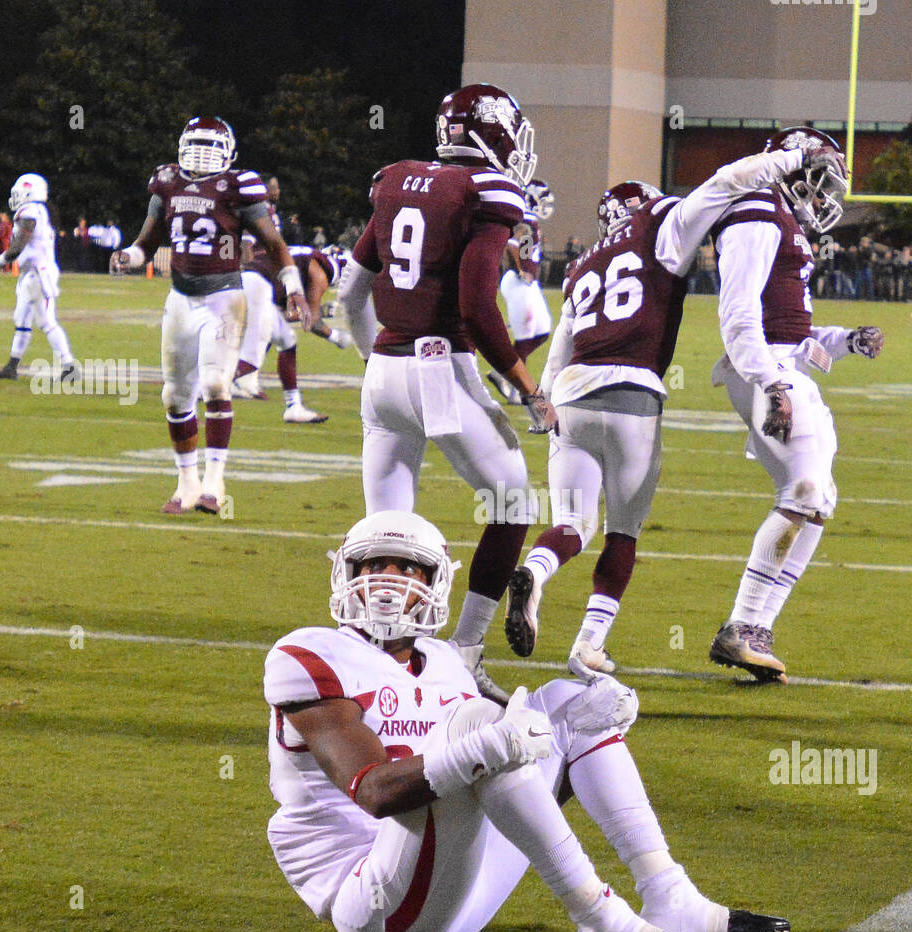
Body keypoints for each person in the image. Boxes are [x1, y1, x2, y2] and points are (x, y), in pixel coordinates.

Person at [264, 508, 790, 932]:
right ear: (346, 574)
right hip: (375, 904)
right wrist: (492, 745)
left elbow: (509, 797)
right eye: (375, 565)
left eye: (407, 569)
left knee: (570, 702)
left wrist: (543, 743)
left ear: (435, 583)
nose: (388, 583)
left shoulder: (445, 661)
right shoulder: (307, 654)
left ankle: (669, 895)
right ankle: (603, 924)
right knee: (480, 727)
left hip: (458, 890)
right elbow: (376, 792)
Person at [505, 143, 825, 679]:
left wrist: (543, 408)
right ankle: (588, 645)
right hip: (632, 393)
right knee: (623, 533)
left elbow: (559, 347)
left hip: (571, 396)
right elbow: (728, 181)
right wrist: (788, 159)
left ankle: (535, 575)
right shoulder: (661, 222)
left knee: (571, 525)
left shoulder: (584, 262)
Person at [335, 83, 558, 704]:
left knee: (385, 527)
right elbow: (476, 305)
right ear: (495, 133)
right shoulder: (486, 190)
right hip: (441, 369)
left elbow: (351, 292)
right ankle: (463, 653)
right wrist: (528, 386)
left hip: (383, 372)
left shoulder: (396, 178)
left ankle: (371, 669)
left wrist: (368, 353)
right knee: (513, 502)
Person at [706, 127, 884, 683]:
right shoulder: (758, 212)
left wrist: (845, 341)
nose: (827, 194)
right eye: (822, 178)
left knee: (819, 498)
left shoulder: (781, 221)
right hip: (764, 368)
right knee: (804, 490)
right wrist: (771, 384)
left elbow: (792, 330)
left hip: (779, 363)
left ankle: (755, 631)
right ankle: (741, 625)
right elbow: (738, 319)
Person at [112, 117, 313, 514]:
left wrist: (293, 287)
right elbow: (146, 242)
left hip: (223, 297)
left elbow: (275, 243)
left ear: (229, 150)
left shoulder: (239, 185)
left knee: (217, 384)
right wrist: (127, 256)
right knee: (174, 396)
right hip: (180, 299)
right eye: (197, 143)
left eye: (211, 144)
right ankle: (186, 482)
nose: (203, 152)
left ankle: (215, 482)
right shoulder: (166, 181)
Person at [234, 242, 350, 421]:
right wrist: (336, 337)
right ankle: (203, 385)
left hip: (248, 281)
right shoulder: (320, 270)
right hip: (257, 286)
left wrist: (321, 311)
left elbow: (285, 315)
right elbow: (312, 322)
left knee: (286, 339)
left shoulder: (304, 257)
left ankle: (294, 407)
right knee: (251, 358)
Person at [0, 173, 80, 383]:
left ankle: (69, 366)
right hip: (31, 273)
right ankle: (11, 367)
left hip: (38, 274)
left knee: (47, 322)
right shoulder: (39, 211)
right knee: (22, 320)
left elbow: (19, 243)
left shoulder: (29, 212)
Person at [487, 177, 555, 404]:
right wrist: (523, 269)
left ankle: (503, 373)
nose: (545, 204)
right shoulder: (525, 220)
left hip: (527, 284)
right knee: (525, 335)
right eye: (543, 198)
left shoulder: (528, 220)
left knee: (543, 329)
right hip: (519, 282)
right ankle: (519, 390)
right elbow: (515, 245)